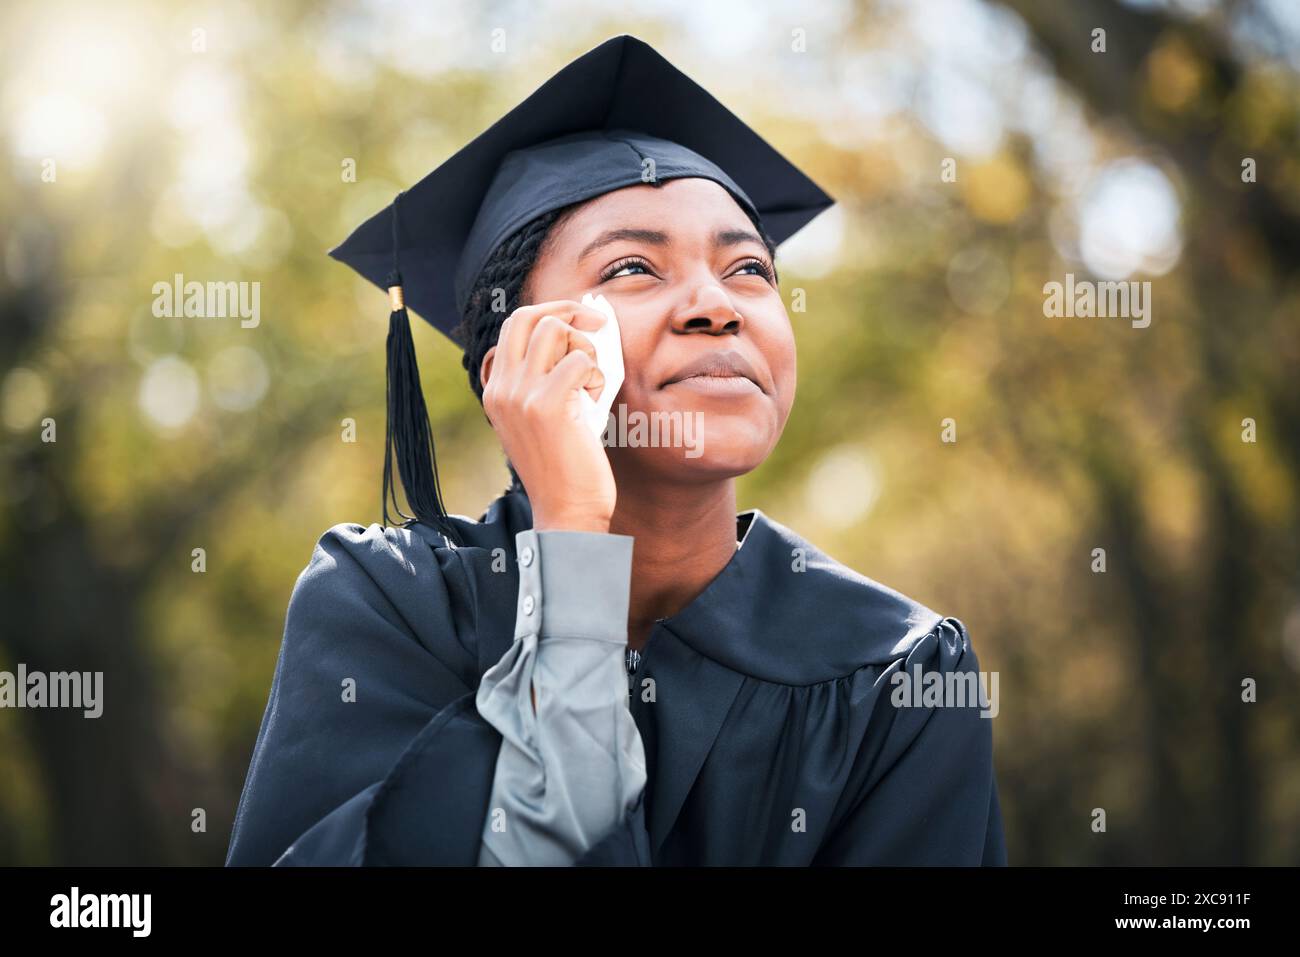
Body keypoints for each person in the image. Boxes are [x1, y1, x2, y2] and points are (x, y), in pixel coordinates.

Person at [225, 34, 1006, 867]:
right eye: (635, 266)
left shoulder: (899, 669)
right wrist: (573, 542)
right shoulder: (394, 606)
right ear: (513, 366)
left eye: (750, 269)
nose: (718, 305)